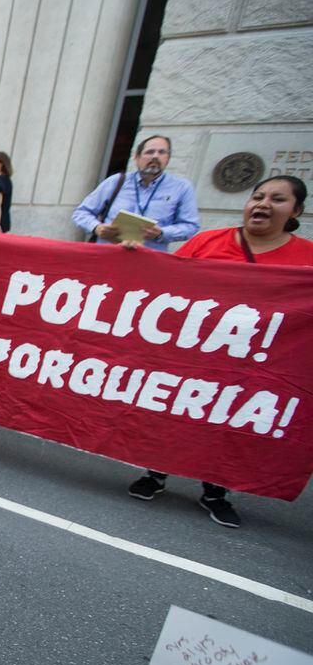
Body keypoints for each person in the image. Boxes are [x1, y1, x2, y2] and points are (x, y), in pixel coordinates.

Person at [127, 176, 311, 529]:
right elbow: (165, 282)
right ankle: (156, 473)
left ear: (295, 211)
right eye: (257, 196)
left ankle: (215, 491)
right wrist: (137, 259)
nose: (263, 204)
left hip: (260, 362)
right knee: (179, 412)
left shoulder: (306, 259)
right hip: (200, 353)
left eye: (277, 199)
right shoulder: (206, 242)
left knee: (234, 423)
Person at [71, 135, 200, 251]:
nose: (155, 156)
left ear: (168, 158)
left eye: (161, 152)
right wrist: (97, 228)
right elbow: (81, 212)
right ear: (137, 158)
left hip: (148, 263)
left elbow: (190, 226)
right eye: (149, 152)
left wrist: (162, 233)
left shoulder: (182, 188)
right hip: (108, 256)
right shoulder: (116, 181)